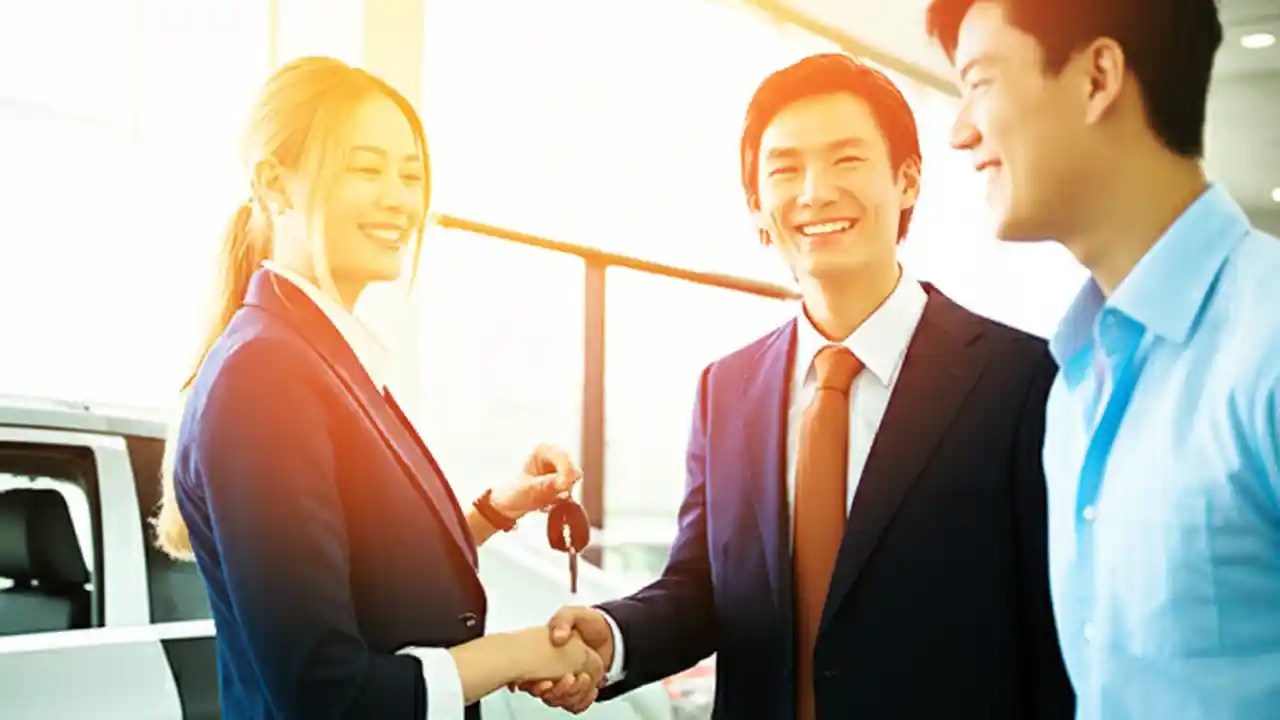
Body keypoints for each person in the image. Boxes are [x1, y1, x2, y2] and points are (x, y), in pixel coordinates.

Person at [524, 53, 1073, 719]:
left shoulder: (1021, 381)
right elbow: (703, 590)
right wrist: (612, 636)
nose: (813, 192)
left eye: (846, 160)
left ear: (907, 182)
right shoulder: (725, 390)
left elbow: (1056, 631)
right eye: (785, 169)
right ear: (758, 203)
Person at [153, 56, 602, 720]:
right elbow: (326, 694)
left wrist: (496, 510)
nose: (400, 198)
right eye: (366, 169)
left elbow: (365, 577)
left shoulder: (321, 356)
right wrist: (526, 653)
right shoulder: (267, 375)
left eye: (411, 174)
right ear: (276, 184)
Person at [924, 1, 1280, 717]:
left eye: (981, 82)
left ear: (1097, 78)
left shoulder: (1267, 341)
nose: (960, 132)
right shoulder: (1076, 382)